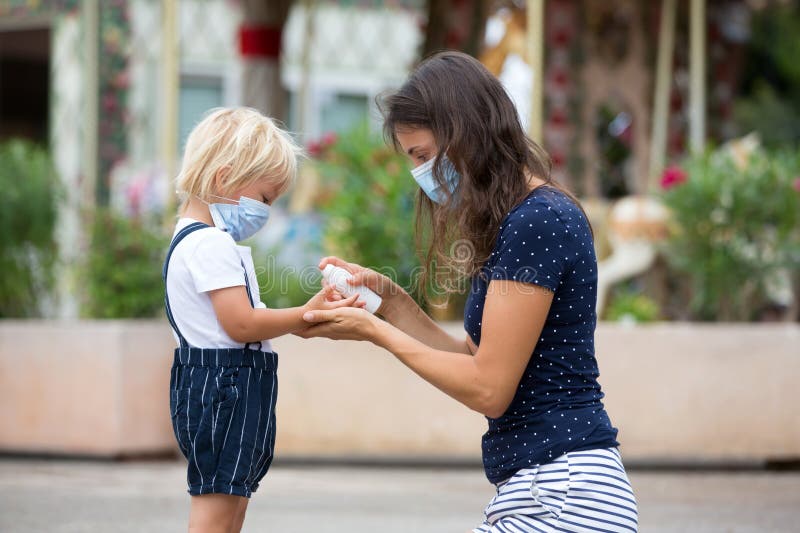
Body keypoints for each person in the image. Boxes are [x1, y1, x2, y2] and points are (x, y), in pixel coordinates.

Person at [299, 51, 639, 532]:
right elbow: (476, 357)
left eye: (422, 155)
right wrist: (392, 305)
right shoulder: (518, 220)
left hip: (562, 493)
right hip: (544, 488)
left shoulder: (537, 221)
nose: (418, 172)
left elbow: (488, 388)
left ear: (467, 134)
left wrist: (377, 334)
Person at [163, 107, 361, 533]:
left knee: (229, 506)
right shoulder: (210, 245)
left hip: (222, 387)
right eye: (266, 197)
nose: (267, 210)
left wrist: (301, 314)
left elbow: (239, 321)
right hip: (224, 390)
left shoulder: (197, 240)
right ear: (223, 179)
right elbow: (241, 325)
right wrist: (302, 317)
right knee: (216, 515)